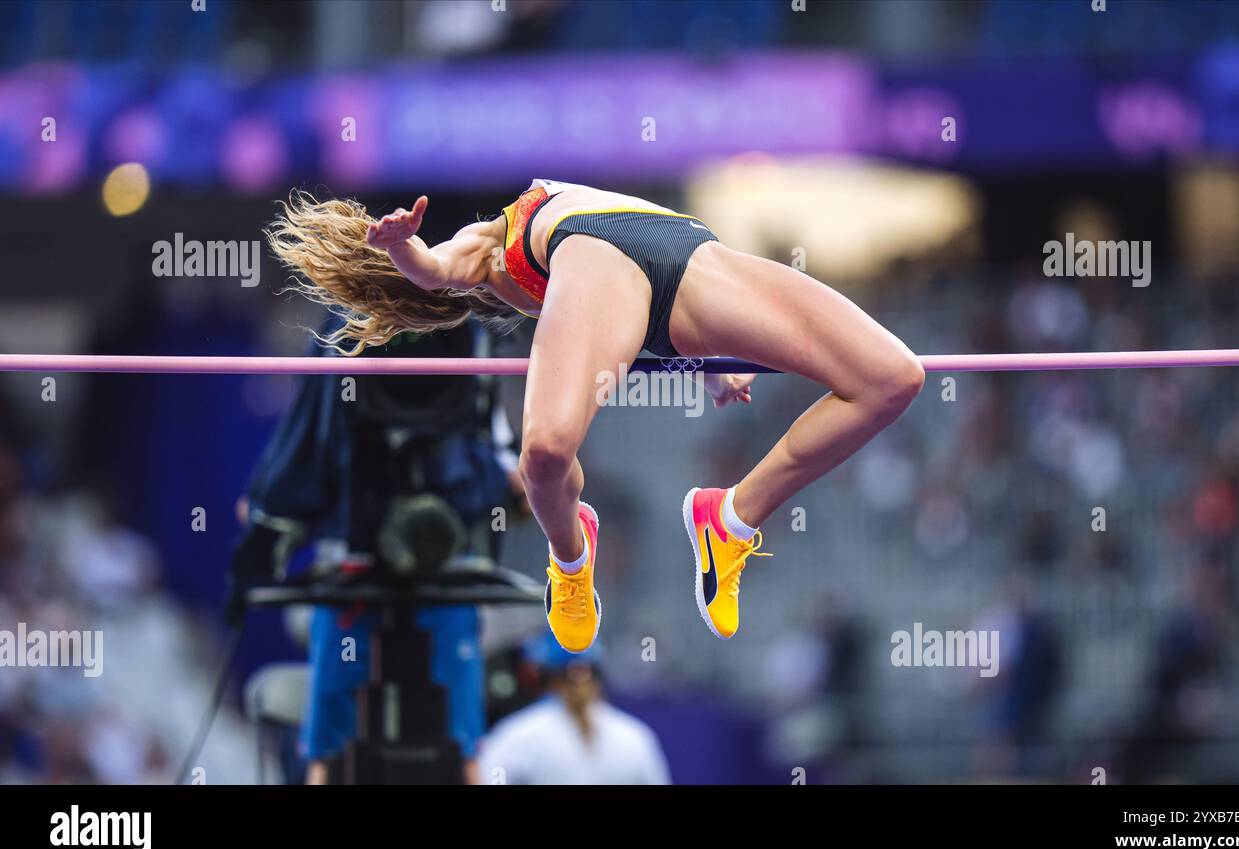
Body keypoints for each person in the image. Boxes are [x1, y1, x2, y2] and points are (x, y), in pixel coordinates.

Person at [266, 179, 925, 654]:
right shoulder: (490, 249)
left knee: (893, 378)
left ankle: (730, 519)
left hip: (689, 255)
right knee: (547, 454)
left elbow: (634, 334)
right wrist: (409, 253)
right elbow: (439, 270)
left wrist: (713, 359)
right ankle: (570, 559)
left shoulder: (515, 233)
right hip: (605, 255)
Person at [232, 316, 520, 783]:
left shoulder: (465, 332)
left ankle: (467, 769)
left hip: (445, 568)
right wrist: (273, 505)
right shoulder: (342, 331)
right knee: (329, 719)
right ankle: (322, 771)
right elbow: (308, 432)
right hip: (355, 567)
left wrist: (517, 481)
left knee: (464, 719)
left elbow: (499, 447)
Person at [476, 636, 670, 785]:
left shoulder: (633, 737)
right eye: (571, 676)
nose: (579, 684)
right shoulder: (521, 734)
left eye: (585, 674)